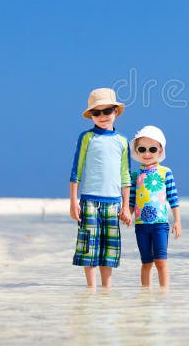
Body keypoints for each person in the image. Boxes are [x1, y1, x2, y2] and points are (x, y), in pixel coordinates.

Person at [69, 87, 132, 288]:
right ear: (91, 115)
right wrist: (73, 202)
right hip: (89, 200)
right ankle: (91, 289)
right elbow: (76, 170)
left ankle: (106, 290)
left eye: (107, 111)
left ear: (116, 112)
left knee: (109, 249)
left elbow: (125, 176)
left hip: (113, 203)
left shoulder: (122, 141)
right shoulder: (87, 137)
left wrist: (126, 206)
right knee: (89, 247)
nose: (102, 116)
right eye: (97, 112)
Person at [128, 125, 181, 288]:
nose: (147, 154)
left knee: (161, 261)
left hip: (160, 225)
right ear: (136, 151)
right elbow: (131, 200)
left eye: (152, 149)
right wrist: (127, 214)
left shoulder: (165, 172)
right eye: (142, 149)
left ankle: (164, 293)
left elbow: (173, 198)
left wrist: (177, 221)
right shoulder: (135, 175)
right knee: (146, 263)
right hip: (141, 225)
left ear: (160, 150)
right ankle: (145, 295)